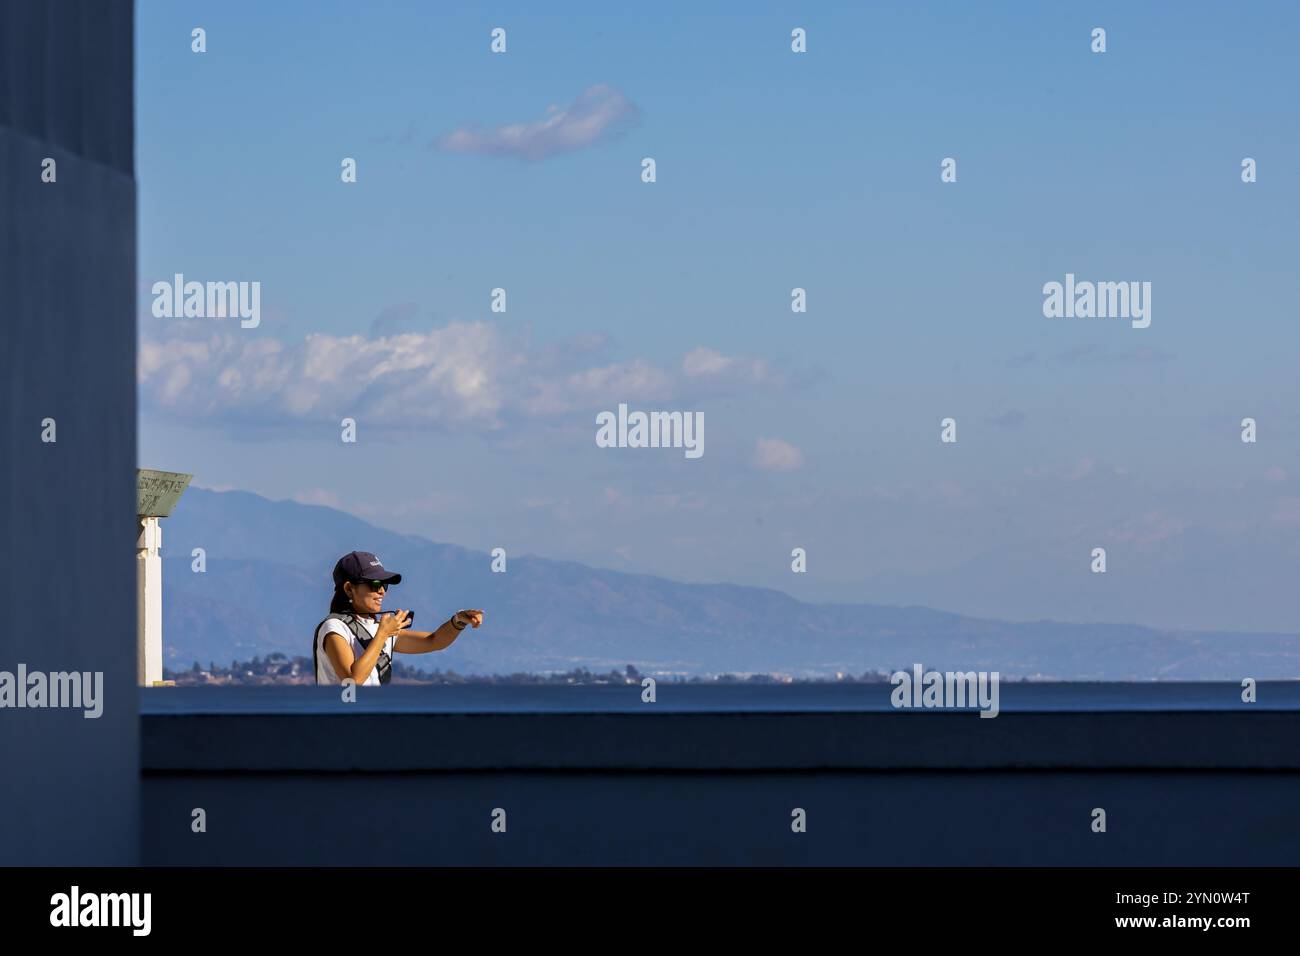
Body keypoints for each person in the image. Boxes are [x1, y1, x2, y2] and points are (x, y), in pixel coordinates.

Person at [313, 550, 483, 686]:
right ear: (349, 589)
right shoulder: (334, 627)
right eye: (375, 584)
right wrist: (382, 635)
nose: (382, 591)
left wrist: (458, 621)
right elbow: (352, 681)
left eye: (384, 584)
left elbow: (434, 641)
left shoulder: (377, 627)